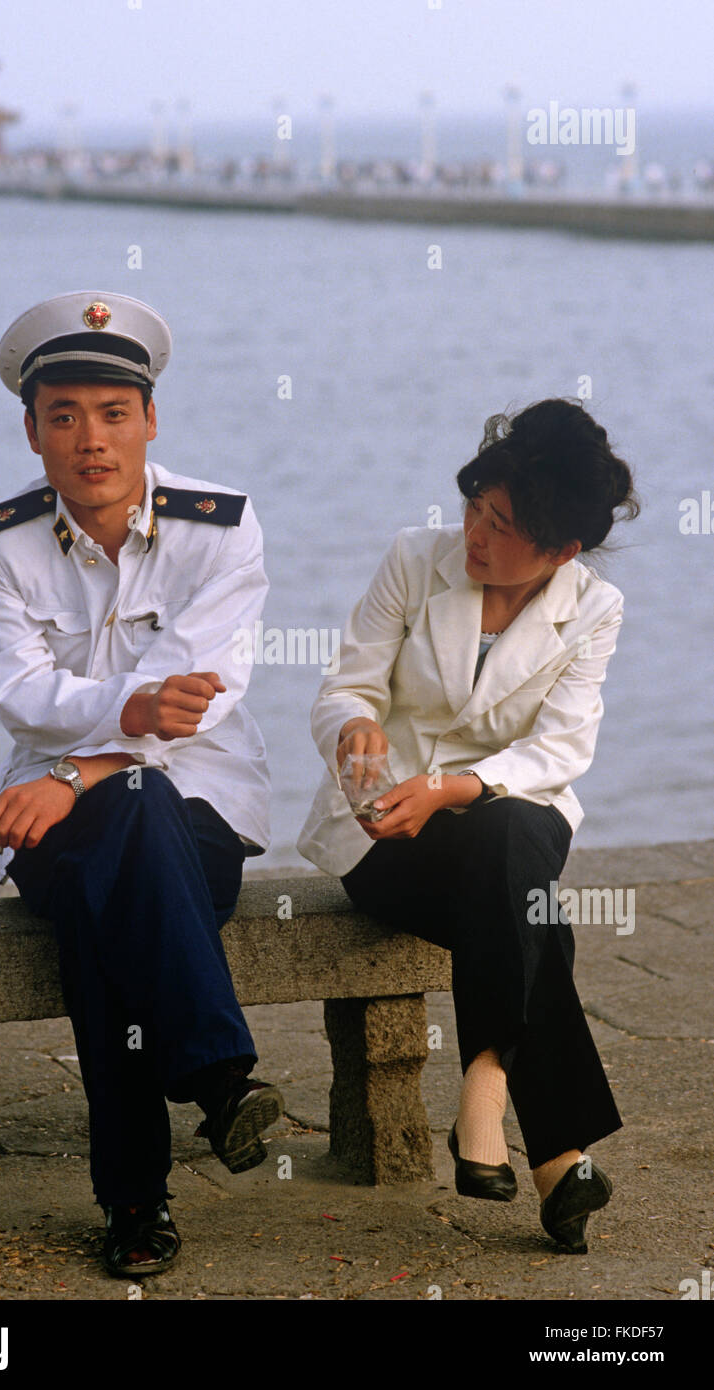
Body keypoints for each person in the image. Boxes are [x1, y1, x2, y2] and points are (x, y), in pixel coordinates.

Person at [0, 291, 283, 1278]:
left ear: (150, 419)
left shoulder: (218, 527)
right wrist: (114, 731)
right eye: (63, 415)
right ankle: (219, 1078)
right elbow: (18, 690)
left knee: (124, 868)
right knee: (123, 852)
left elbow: (198, 700)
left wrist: (81, 765)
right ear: (31, 429)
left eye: (111, 412)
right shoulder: (0, 541)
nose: (90, 439)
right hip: (52, 829)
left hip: (202, 817)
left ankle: (136, 1202)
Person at [298, 399, 640, 1254]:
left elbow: (558, 749)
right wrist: (353, 730)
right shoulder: (415, 561)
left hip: (506, 822)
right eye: (474, 510)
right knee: (533, 920)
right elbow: (344, 687)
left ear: (560, 550)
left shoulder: (593, 608)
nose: (476, 537)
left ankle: (484, 1082)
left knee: (510, 832)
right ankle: (557, 1156)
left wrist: (452, 786)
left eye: (502, 526)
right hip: (387, 838)